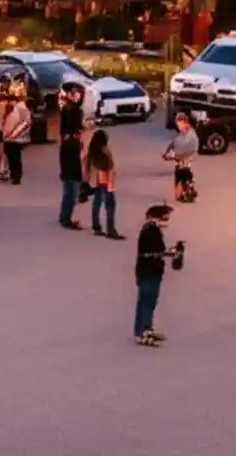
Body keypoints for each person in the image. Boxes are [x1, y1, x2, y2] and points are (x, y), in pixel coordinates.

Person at [134, 205, 179, 347]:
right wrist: (169, 253)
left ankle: (142, 330)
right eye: (165, 217)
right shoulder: (150, 232)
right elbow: (151, 253)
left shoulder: (153, 231)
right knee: (147, 302)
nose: (166, 221)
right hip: (148, 272)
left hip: (150, 271)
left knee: (147, 301)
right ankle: (144, 331)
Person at [85, 129, 123, 239]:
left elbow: (89, 168)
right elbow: (108, 166)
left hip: (96, 180)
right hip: (105, 179)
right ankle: (111, 229)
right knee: (110, 205)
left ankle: (96, 226)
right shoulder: (102, 151)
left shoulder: (91, 151)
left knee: (97, 203)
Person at [165, 113, 199, 202]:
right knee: (181, 175)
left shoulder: (191, 135)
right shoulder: (182, 134)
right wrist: (168, 152)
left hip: (184, 160)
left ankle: (186, 193)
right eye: (178, 124)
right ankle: (185, 192)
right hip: (181, 160)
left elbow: (190, 150)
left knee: (183, 174)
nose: (178, 126)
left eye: (180, 124)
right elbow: (174, 143)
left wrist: (173, 156)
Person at [57, 126, 85, 230]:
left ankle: (63, 216)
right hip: (74, 175)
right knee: (72, 198)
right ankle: (66, 219)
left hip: (66, 174)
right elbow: (78, 162)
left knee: (66, 196)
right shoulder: (76, 146)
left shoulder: (64, 145)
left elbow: (62, 159)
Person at [0, 95, 31, 185]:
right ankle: (13, 174)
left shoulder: (21, 109)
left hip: (16, 138)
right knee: (9, 156)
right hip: (7, 137)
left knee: (15, 157)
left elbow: (26, 122)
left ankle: (16, 175)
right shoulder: (6, 108)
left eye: (10, 101)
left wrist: (15, 133)